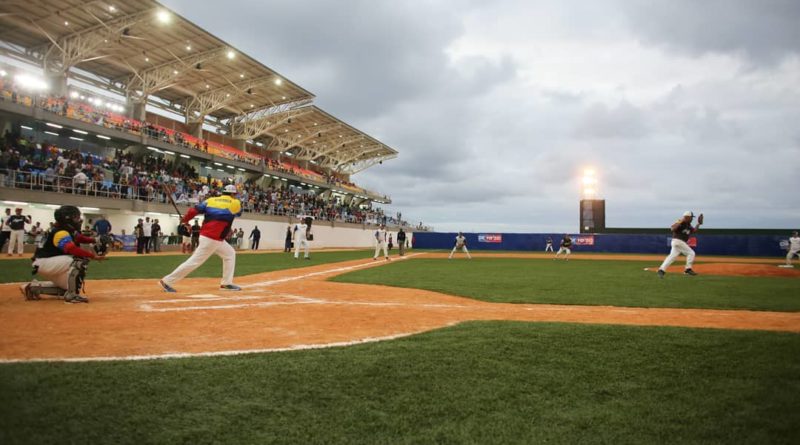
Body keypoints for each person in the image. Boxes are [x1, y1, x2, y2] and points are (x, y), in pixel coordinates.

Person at [160, 184, 243, 292]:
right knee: (194, 261)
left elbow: (193, 211)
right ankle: (167, 281)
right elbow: (239, 213)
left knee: (230, 254)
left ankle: (226, 283)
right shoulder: (235, 203)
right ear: (233, 194)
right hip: (212, 239)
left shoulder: (210, 200)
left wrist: (185, 220)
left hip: (211, 238)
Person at [20, 206, 106, 303]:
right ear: (67, 218)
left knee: (69, 287)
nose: (78, 220)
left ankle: (32, 289)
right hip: (45, 262)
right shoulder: (60, 232)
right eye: (76, 217)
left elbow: (80, 238)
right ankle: (72, 296)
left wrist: (94, 240)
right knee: (79, 260)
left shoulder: (65, 229)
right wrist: (93, 256)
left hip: (48, 262)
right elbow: (72, 249)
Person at [657, 211, 703, 278]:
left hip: (679, 242)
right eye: (691, 217)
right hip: (678, 241)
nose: (692, 219)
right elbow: (672, 228)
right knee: (691, 253)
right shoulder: (681, 221)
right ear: (687, 217)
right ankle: (688, 269)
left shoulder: (688, 225)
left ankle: (661, 270)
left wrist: (698, 224)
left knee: (672, 257)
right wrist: (680, 221)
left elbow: (694, 231)